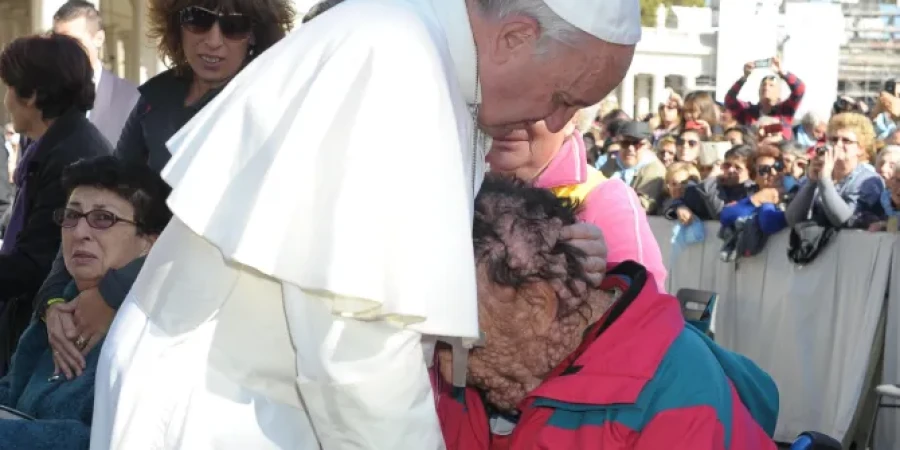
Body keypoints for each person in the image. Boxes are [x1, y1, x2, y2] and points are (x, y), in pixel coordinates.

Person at [90, 0, 638, 448]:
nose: (558, 122)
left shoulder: (415, 46)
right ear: (515, 36)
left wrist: (541, 252)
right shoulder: (397, 58)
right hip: (218, 410)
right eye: (564, 97)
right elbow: (354, 349)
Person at [33, 0, 296, 380]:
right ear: (176, 22)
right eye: (199, 20)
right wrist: (54, 298)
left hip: (208, 321)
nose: (214, 41)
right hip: (122, 301)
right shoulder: (156, 99)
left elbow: (214, 239)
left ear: (255, 32)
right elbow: (93, 200)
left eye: (234, 26)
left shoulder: (261, 110)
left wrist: (111, 296)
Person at [433, 174, 779, 449]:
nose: (447, 368)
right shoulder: (503, 366)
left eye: (464, 338)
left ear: (538, 308)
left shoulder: (676, 396)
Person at [0, 156, 170, 449]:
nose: (79, 232)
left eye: (104, 218)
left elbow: (106, 440)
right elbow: (11, 391)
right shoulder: (58, 308)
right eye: (71, 216)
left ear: (149, 243)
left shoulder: (155, 333)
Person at [0, 34, 110, 369]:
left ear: (31, 94)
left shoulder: (70, 157)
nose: (5, 99)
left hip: (55, 333)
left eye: (8, 88)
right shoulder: (57, 142)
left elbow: (35, 265)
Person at [487, 116, 667, 291]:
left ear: (572, 115)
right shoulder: (466, 185)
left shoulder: (606, 198)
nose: (510, 116)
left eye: (531, 100)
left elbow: (645, 306)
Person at [53, 1, 140, 147]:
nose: (64, 50)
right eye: (58, 42)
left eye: (73, 42)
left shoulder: (132, 99)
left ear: (99, 39)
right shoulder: (42, 98)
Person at [786, 113, 884, 230]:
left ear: (861, 149)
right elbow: (792, 219)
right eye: (833, 139)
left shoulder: (867, 181)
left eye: (846, 141)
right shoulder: (819, 172)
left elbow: (844, 221)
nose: (838, 144)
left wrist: (825, 180)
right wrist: (811, 182)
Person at [724, 57, 805, 140]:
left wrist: (783, 73)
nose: (766, 87)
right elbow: (729, 100)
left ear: (779, 93)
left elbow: (799, 90)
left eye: (771, 85)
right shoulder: (749, 111)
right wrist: (744, 78)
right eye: (763, 85)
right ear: (758, 91)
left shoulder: (785, 111)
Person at [598, 121, 666, 213]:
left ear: (648, 146)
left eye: (637, 144)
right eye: (625, 143)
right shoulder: (611, 164)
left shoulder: (655, 169)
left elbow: (644, 205)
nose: (630, 149)